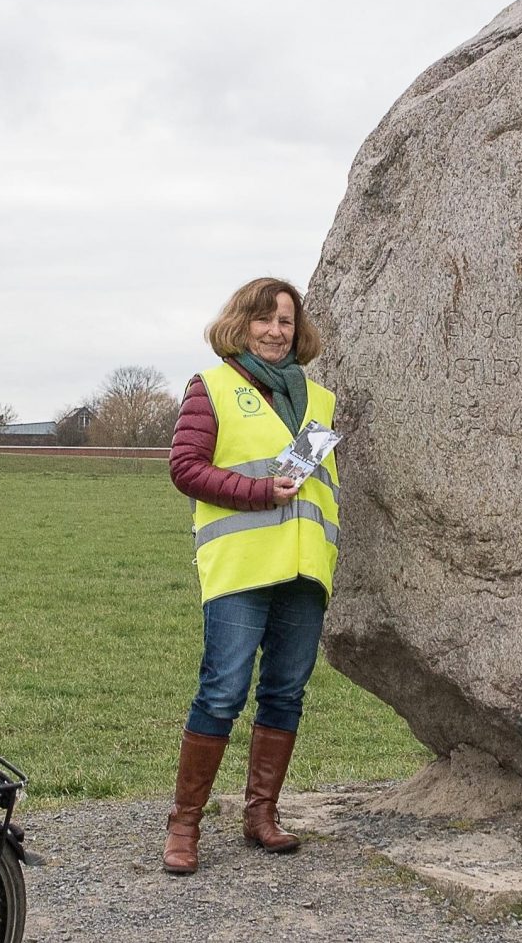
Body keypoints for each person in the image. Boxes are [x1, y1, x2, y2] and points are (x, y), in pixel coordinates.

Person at [161, 277, 341, 875]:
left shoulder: (320, 400)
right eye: (264, 319)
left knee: (286, 693)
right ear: (241, 323)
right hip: (240, 568)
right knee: (222, 692)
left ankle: (261, 814)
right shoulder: (210, 387)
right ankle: (184, 824)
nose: (275, 330)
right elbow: (186, 469)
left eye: (286, 321)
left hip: (304, 568)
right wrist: (260, 492)